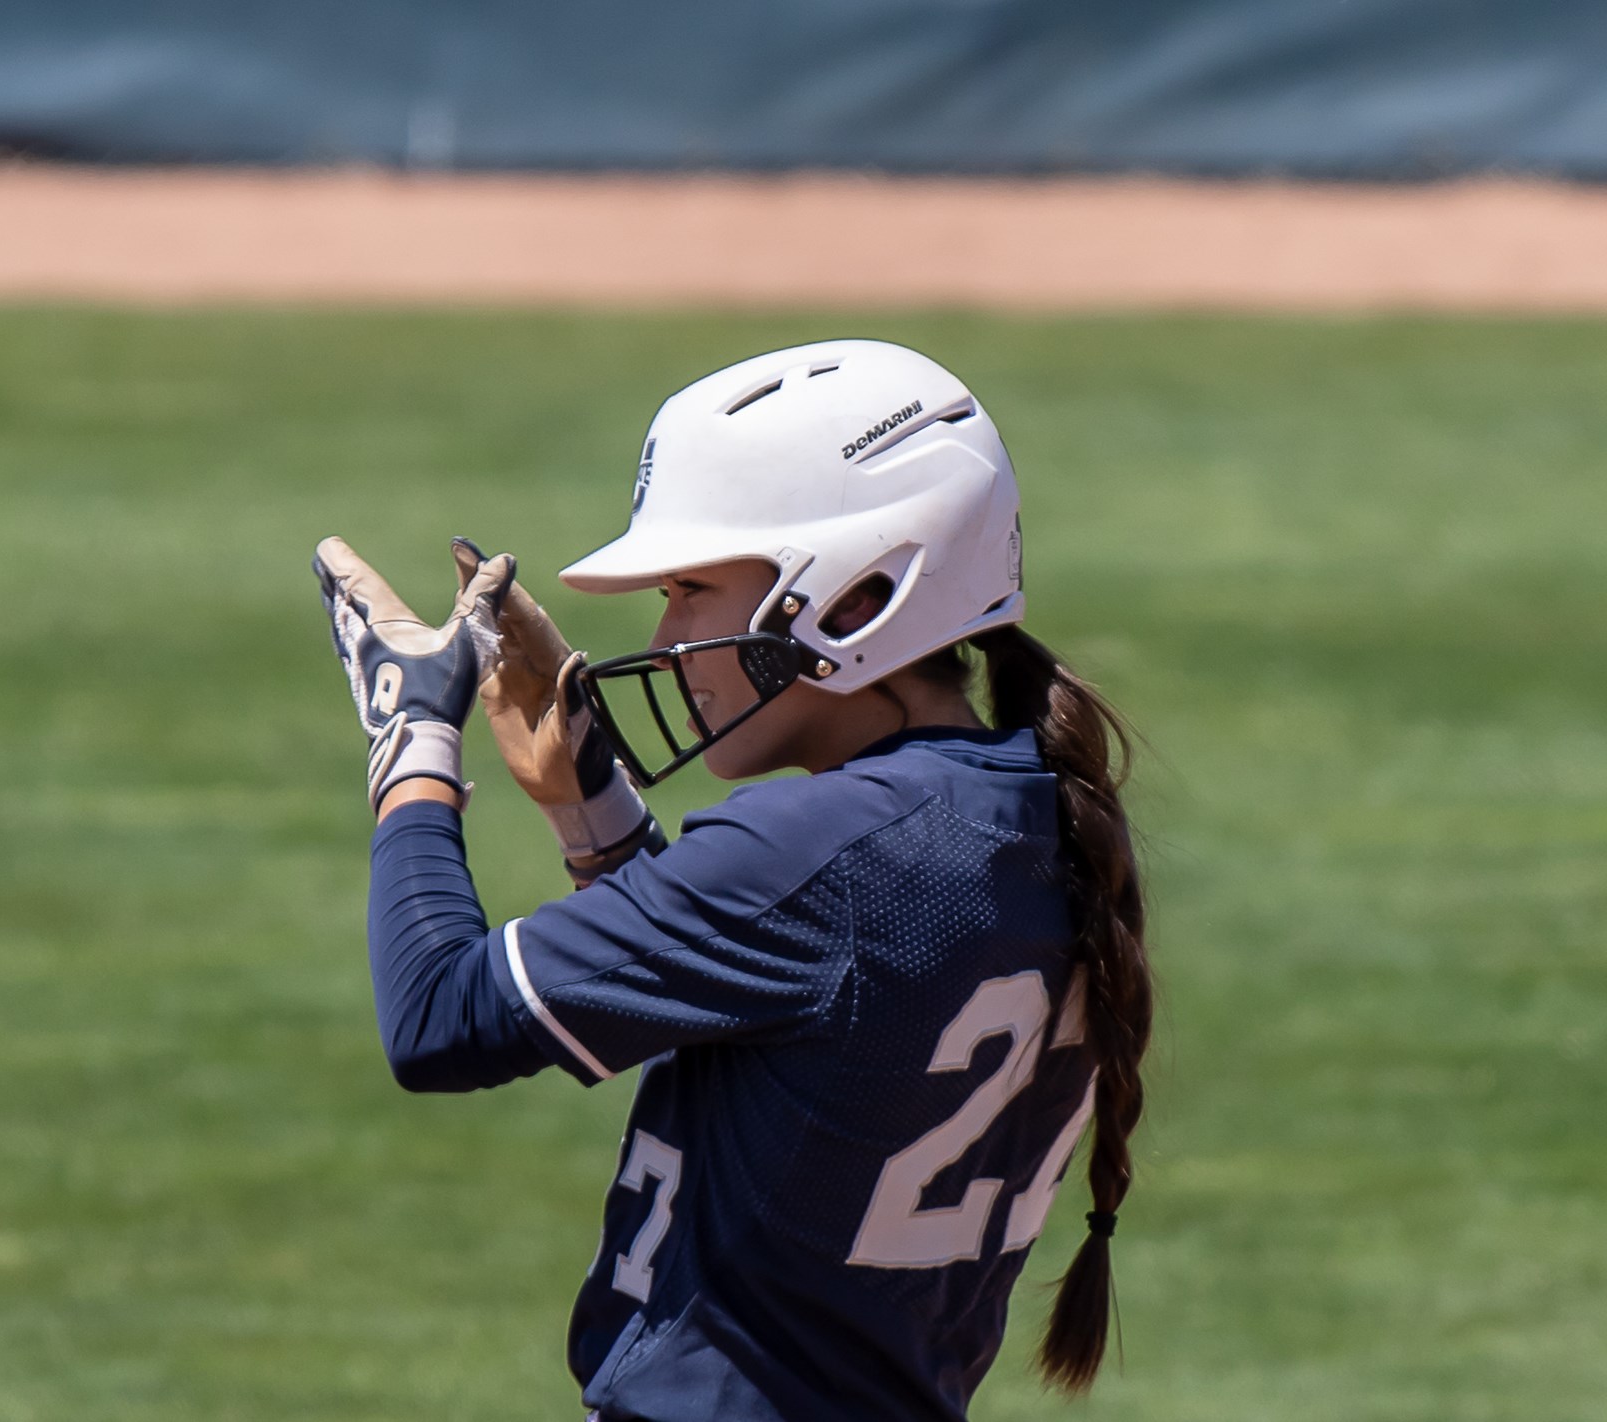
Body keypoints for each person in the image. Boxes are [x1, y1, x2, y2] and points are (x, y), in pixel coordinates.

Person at [313, 340, 1152, 1421]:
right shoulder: (1034, 814)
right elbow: (766, 1003)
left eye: (691, 589)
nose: (667, 639)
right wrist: (589, 806)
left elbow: (440, 1020)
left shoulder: (819, 846)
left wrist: (413, 744)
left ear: (855, 597)